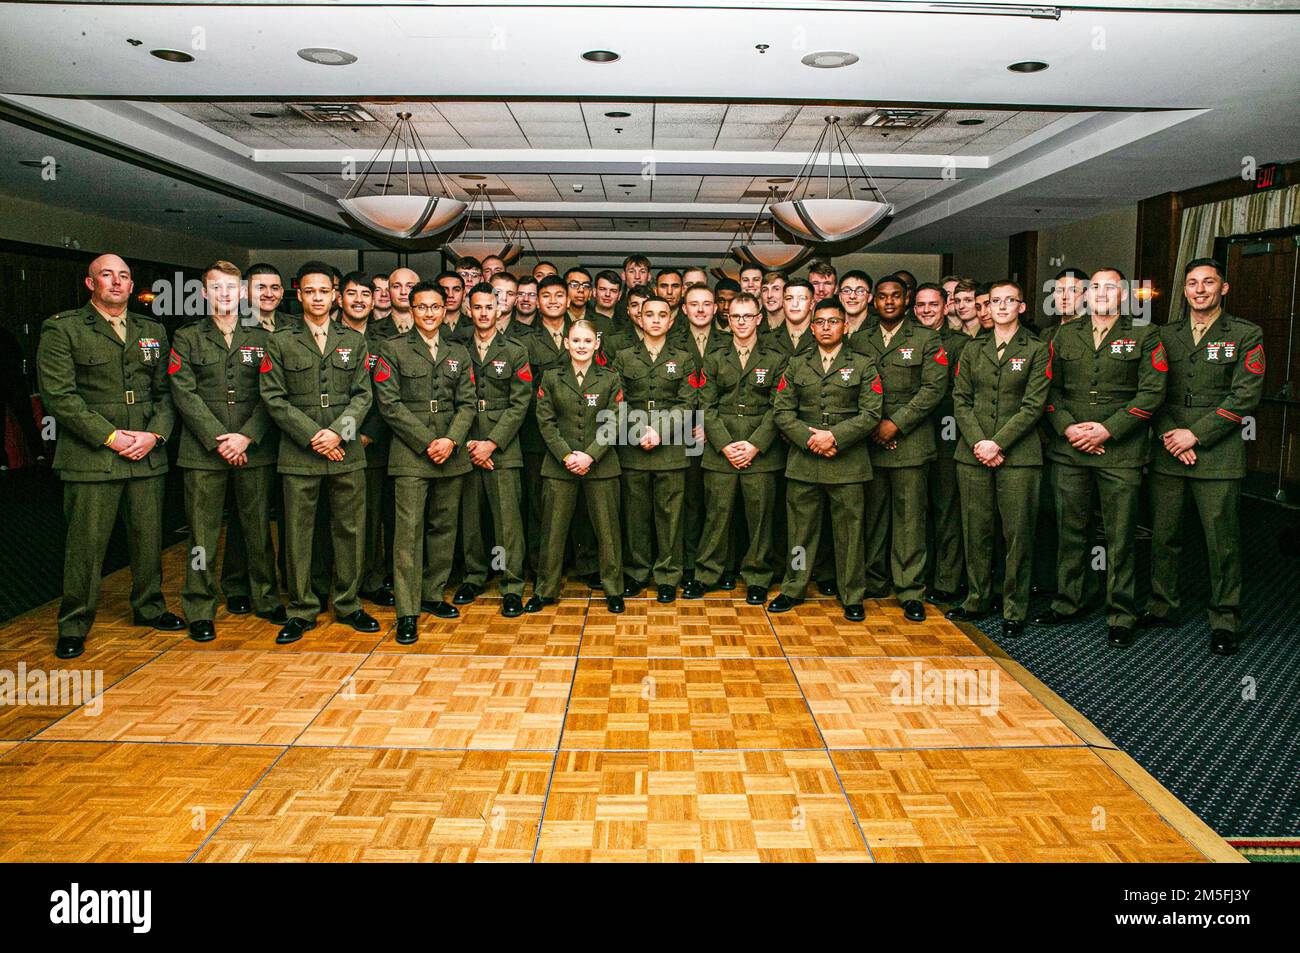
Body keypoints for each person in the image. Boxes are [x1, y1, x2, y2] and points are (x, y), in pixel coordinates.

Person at [37, 253, 184, 659]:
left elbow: (166, 393)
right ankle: (75, 624)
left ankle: (150, 607)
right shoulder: (63, 328)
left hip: (146, 451)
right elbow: (60, 398)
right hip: (92, 457)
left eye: (123, 276)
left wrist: (155, 435)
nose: (117, 282)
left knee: (148, 538)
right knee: (86, 545)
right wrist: (111, 437)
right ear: (91, 284)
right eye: (107, 275)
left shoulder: (151, 329)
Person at [1033, 268, 1167, 646]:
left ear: (1123, 294)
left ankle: (1120, 612)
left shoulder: (1144, 333)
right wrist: (1067, 428)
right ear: (1086, 294)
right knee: (1070, 529)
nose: (1102, 293)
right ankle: (1069, 600)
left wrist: (1108, 429)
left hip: (1119, 450)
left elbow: (1151, 393)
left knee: (1120, 535)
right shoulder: (1063, 334)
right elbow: (1048, 388)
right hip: (1070, 449)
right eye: (1096, 287)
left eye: (1111, 287)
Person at [1143, 259, 1265, 655]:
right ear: (1184, 291)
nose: (1199, 289)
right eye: (1192, 283)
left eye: (1208, 282)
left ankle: (1225, 619)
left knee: (1221, 542)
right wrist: (1170, 435)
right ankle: (1162, 605)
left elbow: (1245, 396)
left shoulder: (1245, 334)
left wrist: (1195, 435)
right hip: (1168, 448)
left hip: (1218, 452)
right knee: (1164, 535)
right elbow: (1150, 390)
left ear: (1223, 289)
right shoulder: (1163, 334)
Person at [258, 261, 379, 644]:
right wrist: (314, 436)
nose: (317, 298)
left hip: (346, 453)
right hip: (300, 453)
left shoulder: (355, 341)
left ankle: (347, 603)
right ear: (299, 294)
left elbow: (364, 395)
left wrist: (339, 435)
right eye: (310, 291)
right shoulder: (279, 341)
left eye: (324, 291)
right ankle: (301, 607)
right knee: (298, 533)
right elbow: (272, 397)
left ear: (335, 295)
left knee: (350, 530)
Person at [169, 260, 285, 642]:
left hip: (253, 448)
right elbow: (183, 393)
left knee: (256, 528)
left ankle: (264, 597)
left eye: (231, 288)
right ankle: (200, 606)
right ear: (204, 293)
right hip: (204, 451)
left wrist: (246, 437)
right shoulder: (187, 338)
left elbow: (271, 396)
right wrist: (220, 438)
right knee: (201, 534)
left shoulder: (264, 338)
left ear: (242, 293)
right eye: (216, 288)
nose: (224, 294)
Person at [372, 281, 476, 643]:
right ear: (411, 310)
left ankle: (433, 594)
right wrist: (427, 440)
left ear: (446, 308)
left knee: (443, 528)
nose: (429, 313)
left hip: (451, 453)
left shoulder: (458, 352)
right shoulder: (392, 348)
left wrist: (450, 440)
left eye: (436, 306)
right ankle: (407, 610)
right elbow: (389, 404)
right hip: (411, 454)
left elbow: (467, 403)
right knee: (408, 533)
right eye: (422, 307)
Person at [768, 296, 882, 622]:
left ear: (845, 326)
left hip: (848, 463)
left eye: (833, 321)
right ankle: (793, 587)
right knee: (800, 535)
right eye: (820, 322)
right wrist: (811, 440)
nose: (826, 327)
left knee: (850, 535)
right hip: (804, 463)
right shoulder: (797, 364)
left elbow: (871, 412)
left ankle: (852, 595)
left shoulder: (863, 363)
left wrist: (834, 438)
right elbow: (782, 411)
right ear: (812, 327)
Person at [946, 280, 1051, 637]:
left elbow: (1034, 406)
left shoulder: (1037, 349)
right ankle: (977, 598)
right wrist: (979, 442)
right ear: (985, 308)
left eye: (1010, 301)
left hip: (1019, 456)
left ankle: (1013, 607)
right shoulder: (972, 350)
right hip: (972, 453)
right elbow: (960, 400)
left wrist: (998, 443)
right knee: (976, 531)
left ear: (1022, 307)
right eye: (995, 301)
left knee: (1017, 533)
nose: (1001, 306)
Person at [851, 275, 947, 621]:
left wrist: (896, 423)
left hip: (910, 443)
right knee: (871, 518)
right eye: (882, 297)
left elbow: (933, 390)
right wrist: (874, 423)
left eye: (895, 296)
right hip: (868, 443)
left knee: (910, 521)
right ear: (872, 302)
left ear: (906, 300)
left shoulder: (926, 338)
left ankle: (910, 590)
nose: (888, 302)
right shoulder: (859, 340)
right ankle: (875, 581)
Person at [690, 293, 787, 604]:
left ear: (759, 318)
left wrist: (755, 445)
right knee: (716, 516)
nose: (742, 322)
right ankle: (707, 574)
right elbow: (706, 404)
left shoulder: (775, 358)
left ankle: (758, 577)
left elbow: (779, 407)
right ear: (728, 320)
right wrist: (726, 444)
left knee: (760, 518)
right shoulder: (715, 358)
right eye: (736, 316)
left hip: (761, 451)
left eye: (748, 316)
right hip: (722, 450)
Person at [526, 320, 626, 614]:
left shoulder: (610, 378)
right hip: (560, 464)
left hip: (601, 464)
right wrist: (566, 455)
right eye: (576, 341)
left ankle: (614, 590)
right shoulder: (552, 377)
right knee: (552, 530)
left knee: (608, 531)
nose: (581, 346)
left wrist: (590, 455)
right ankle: (545, 590)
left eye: (587, 341)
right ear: (566, 344)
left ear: (596, 344)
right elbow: (545, 421)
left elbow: (615, 421)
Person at [454, 283, 534, 618]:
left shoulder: (515, 349)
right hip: (466, 444)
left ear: (500, 308)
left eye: (490, 306)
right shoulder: (456, 347)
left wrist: (492, 442)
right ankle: (474, 575)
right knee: (471, 519)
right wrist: (472, 442)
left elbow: (520, 403)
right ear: (468, 310)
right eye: (478, 307)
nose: (484, 312)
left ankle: (510, 582)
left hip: (501, 446)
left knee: (506, 522)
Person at [612, 295, 699, 602]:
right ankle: (636, 573)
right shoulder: (623, 356)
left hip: (671, 447)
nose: (656, 320)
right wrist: (638, 431)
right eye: (650, 314)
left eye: (663, 315)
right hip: (633, 446)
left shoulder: (685, 357)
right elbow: (616, 398)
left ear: (671, 320)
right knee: (635, 516)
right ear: (640, 318)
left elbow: (689, 401)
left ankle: (667, 576)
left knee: (670, 516)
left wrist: (660, 431)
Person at [338, 272, 394, 607]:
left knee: (370, 518)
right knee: (338, 520)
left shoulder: (383, 342)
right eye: (352, 293)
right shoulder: (327, 337)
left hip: (370, 443)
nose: (359, 300)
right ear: (339, 298)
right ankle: (334, 583)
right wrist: (342, 435)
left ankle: (371, 581)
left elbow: (383, 395)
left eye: (365, 294)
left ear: (374, 301)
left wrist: (364, 434)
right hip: (328, 443)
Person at [914, 282, 968, 604]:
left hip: (948, 435)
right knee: (915, 512)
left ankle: (946, 581)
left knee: (947, 509)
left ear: (946, 306)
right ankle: (917, 576)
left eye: (933, 304)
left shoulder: (960, 344)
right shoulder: (906, 339)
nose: (926, 310)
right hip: (912, 435)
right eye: (920, 305)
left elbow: (961, 392)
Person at [768, 278, 817, 359]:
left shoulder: (823, 338)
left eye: (802, 298)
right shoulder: (767, 340)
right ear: (783, 303)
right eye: (789, 298)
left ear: (812, 304)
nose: (795, 304)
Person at [369, 267, 417, 339]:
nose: (403, 292)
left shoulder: (435, 328)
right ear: (390, 290)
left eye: (410, 286)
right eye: (396, 286)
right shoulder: (369, 330)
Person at [245, 263, 294, 332]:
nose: (269, 294)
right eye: (260, 288)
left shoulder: (296, 324)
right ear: (245, 292)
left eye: (274, 288)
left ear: (282, 292)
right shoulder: (235, 326)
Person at [838, 270, 873, 338]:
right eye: (846, 291)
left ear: (869, 297)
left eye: (860, 291)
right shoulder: (831, 326)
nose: (852, 296)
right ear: (840, 297)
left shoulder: (880, 327)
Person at [759, 271, 787, 335]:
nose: (769, 295)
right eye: (765, 290)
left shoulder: (795, 325)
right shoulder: (753, 324)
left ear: (786, 293)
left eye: (776, 289)